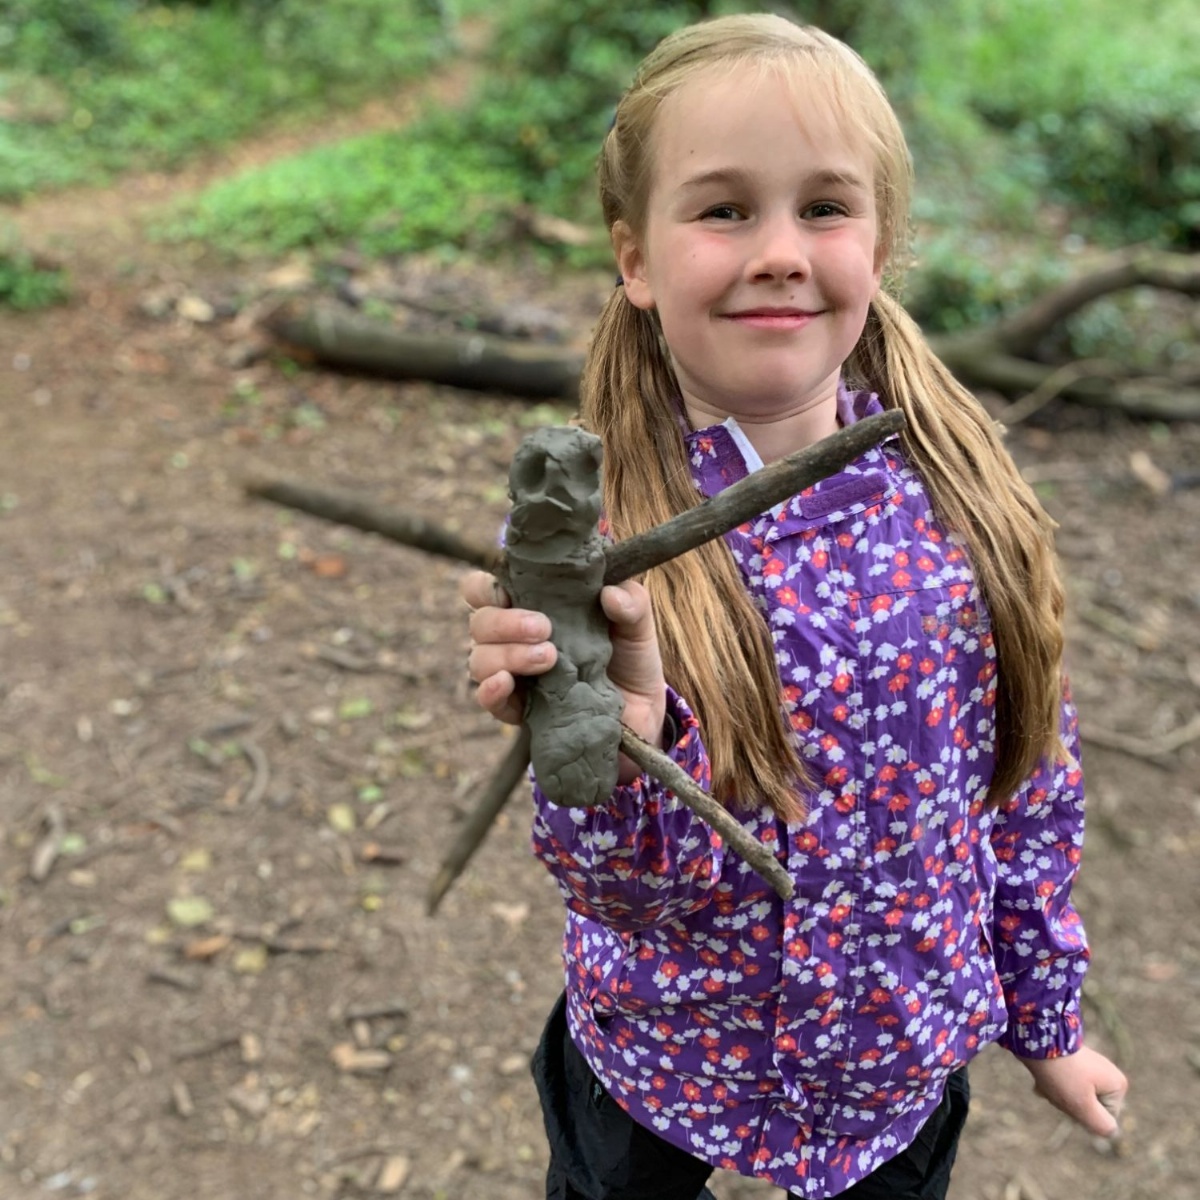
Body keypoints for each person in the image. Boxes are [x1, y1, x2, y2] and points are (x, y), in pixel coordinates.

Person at [462, 13, 1127, 1199]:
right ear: (635, 257)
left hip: (895, 1065)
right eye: (724, 210)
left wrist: (1048, 1018)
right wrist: (625, 747)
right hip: (658, 1057)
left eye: (824, 208)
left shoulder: (964, 499)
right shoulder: (597, 541)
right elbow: (620, 887)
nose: (778, 249)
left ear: (881, 243)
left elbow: (1027, 775)